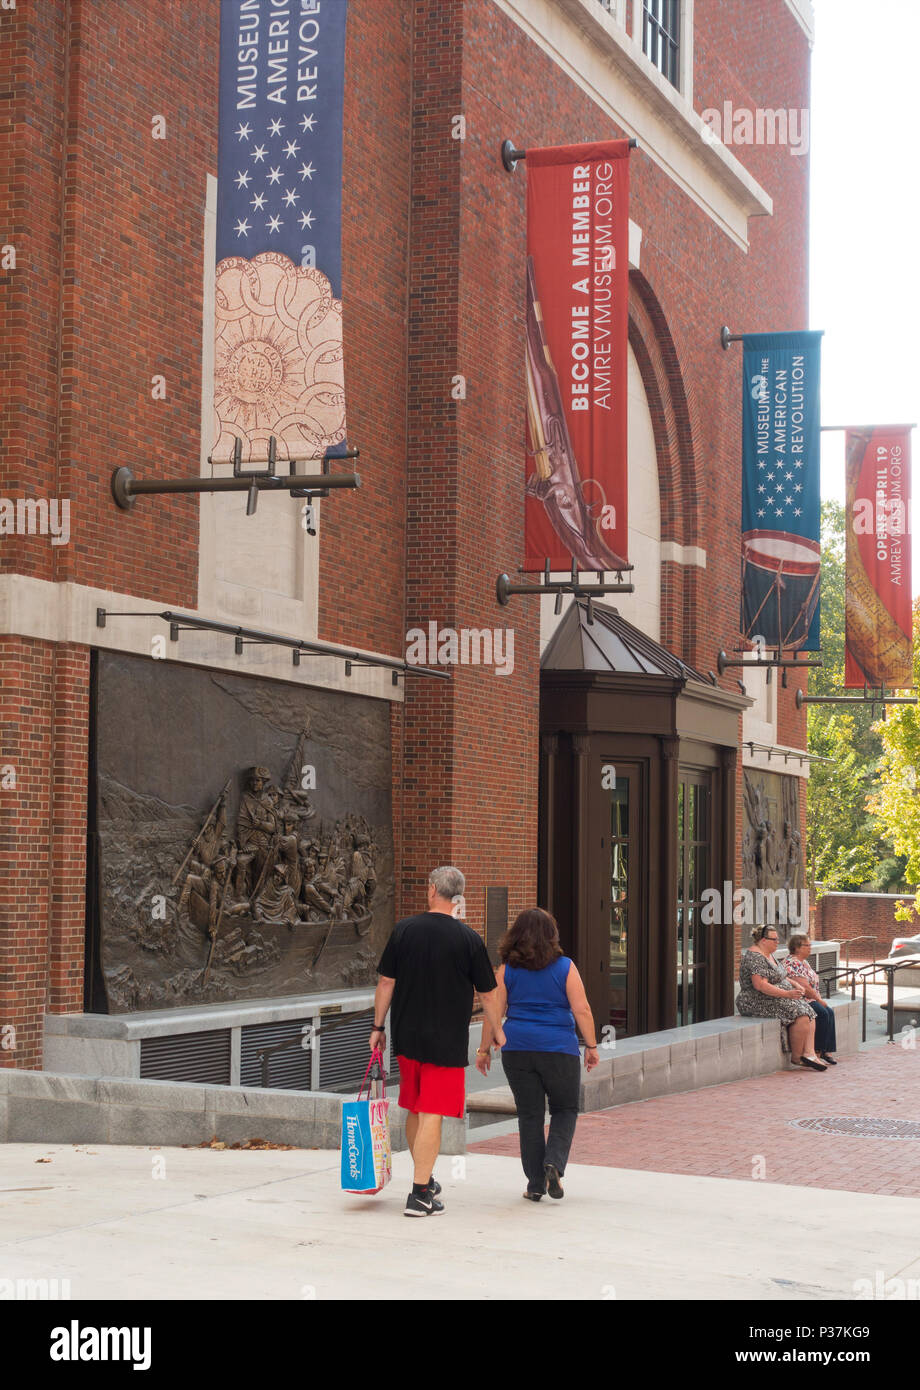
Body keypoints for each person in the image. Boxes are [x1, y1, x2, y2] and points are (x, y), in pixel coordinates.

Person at [371, 866, 505, 1217]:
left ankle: (425, 1181)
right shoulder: (469, 939)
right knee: (432, 1112)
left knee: (415, 1108)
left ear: (432, 890)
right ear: (457, 898)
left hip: (406, 1034)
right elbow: (488, 994)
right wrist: (497, 1031)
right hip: (446, 1039)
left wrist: (378, 1027)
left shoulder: (404, 930)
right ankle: (418, 1195)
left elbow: (386, 982)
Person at [476, 907, 599, 1201]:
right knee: (565, 1109)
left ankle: (534, 1184)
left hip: (517, 1048)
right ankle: (553, 1163)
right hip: (559, 1049)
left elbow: (494, 1011)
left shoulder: (507, 968)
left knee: (530, 1115)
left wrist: (483, 1050)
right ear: (551, 935)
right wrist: (592, 1047)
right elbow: (581, 1008)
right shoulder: (565, 967)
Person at [736, 925, 825, 1070]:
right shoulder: (754, 957)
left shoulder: (768, 955)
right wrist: (787, 994)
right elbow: (760, 985)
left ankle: (810, 1054)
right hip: (756, 1000)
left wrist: (795, 984)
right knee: (801, 1013)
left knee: (809, 1011)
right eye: (775, 939)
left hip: (772, 997)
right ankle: (797, 1057)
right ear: (764, 940)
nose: (778, 942)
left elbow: (781, 975)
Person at [785, 932, 838, 1064]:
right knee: (822, 1013)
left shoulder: (804, 962)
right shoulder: (792, 963)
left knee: (830, 1012)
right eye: (806, 945)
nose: (810, 948)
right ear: (797, 947)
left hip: (812, 998)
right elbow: (804, 987)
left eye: (810, 945)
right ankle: (816, 1052)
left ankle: (826, 1050)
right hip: (801, 999)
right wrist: (819, 1000)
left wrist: (818, 999)